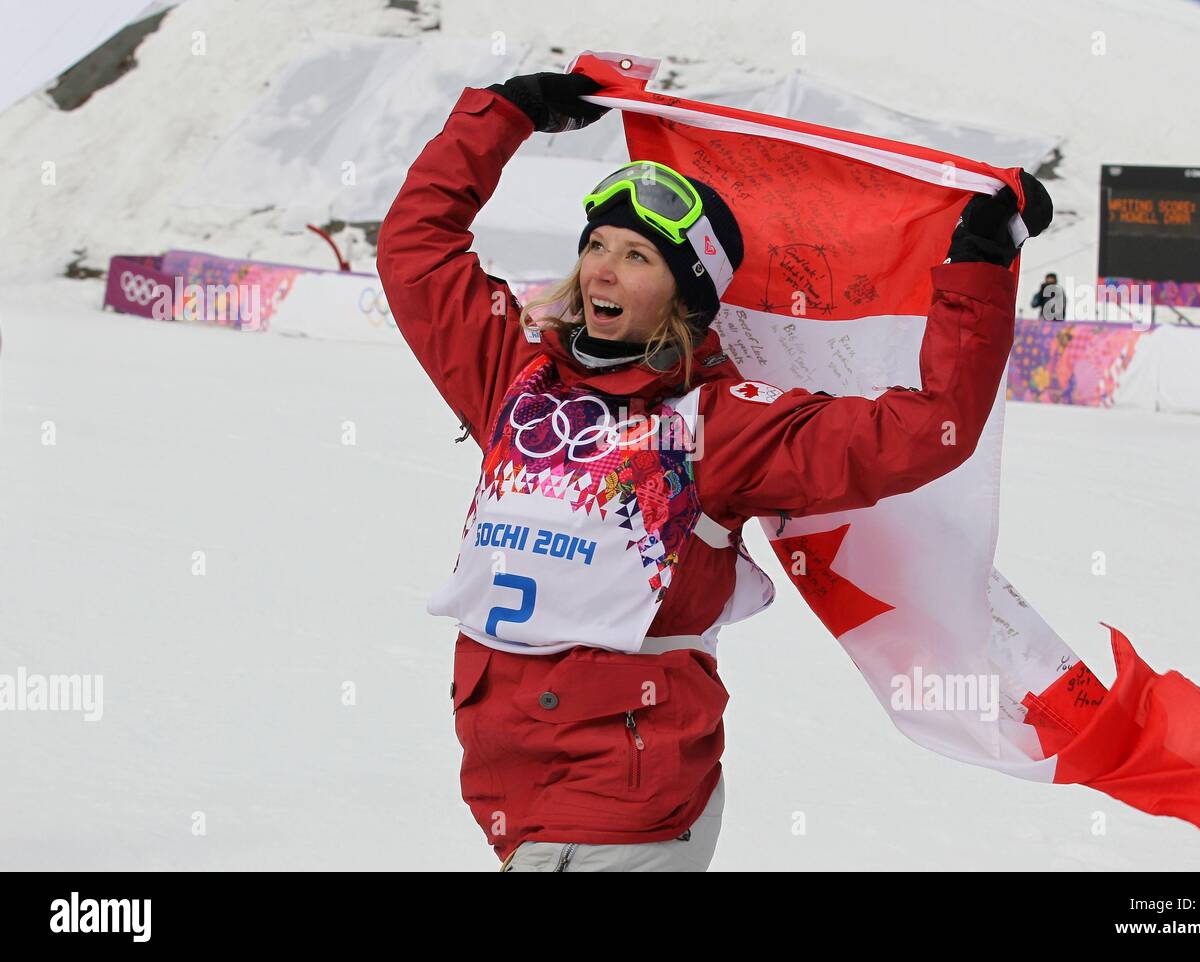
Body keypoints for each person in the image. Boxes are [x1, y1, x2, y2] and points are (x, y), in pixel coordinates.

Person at [376, 70, 1053, 872]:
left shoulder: (721, 424)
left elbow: (923, 433)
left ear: (684, 295)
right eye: (595, 244)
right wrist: (509, 113)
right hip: (513, 789)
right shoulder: (511, 376)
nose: (600, 270)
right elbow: (417, 246)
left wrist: (975, 268)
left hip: (629, 801)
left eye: (636, 256)